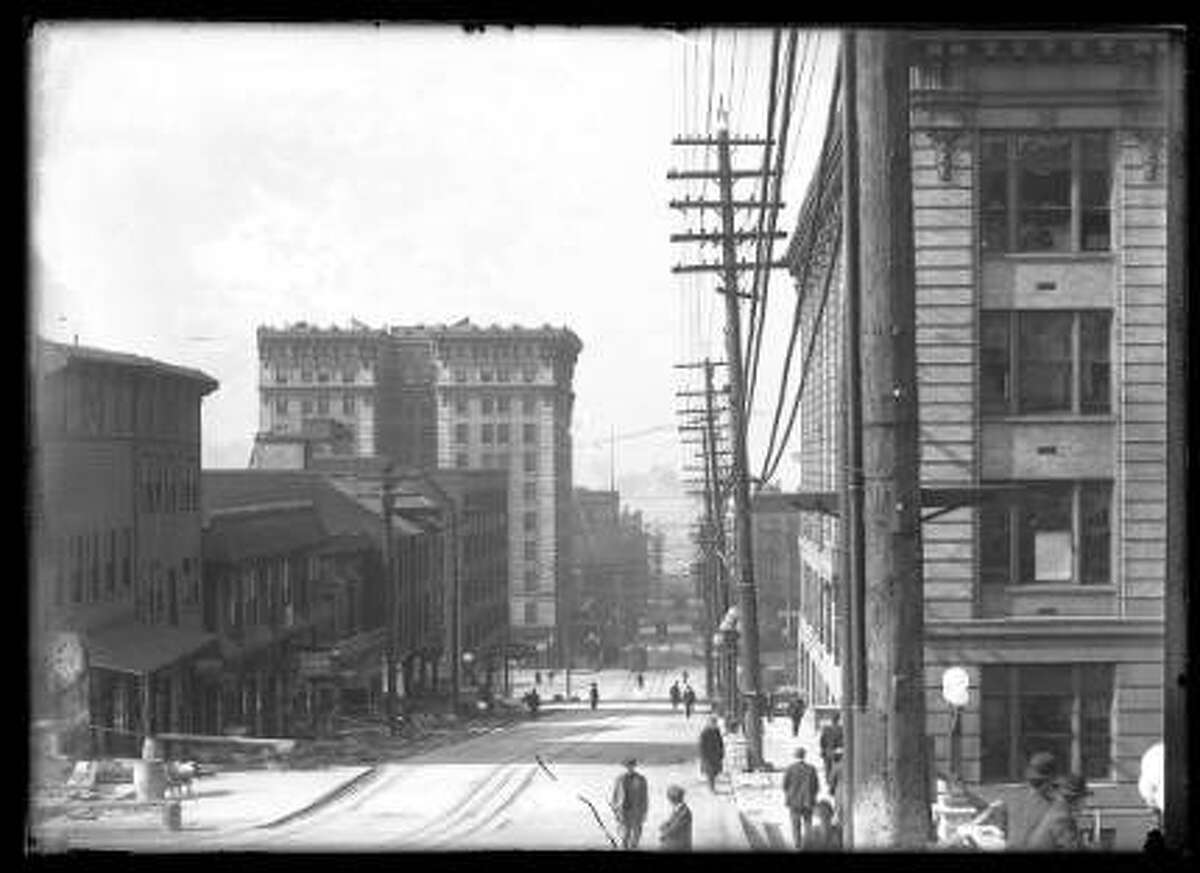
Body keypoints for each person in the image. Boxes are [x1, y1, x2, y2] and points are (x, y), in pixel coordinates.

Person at [1005, 751, 1060, 850]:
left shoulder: (1013, 798)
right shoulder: (1057, 805)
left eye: (1037, 783)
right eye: (1033, 782)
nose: (1033, 788)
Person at [1027, 773, 1090, 851]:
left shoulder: (1055, 812)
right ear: (1075, 799)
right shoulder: (1063, 820)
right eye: (1083, 798)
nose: (1085, 803)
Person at [783, 747, 820, 850]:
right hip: (808, 800)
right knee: (808, 823)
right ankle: (808, 843)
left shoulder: (790, 769)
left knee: (795, 824)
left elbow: (785, 785)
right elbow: (816, 786)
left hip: (794, 801)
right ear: (804, 756)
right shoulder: (811, 769)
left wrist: (789, 794)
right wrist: (813, 796)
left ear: (795, 756)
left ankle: (797, 844)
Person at [610, 757, 649, 850]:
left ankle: (633, 848)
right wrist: (615, 808)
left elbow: (645, 796)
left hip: (637, 810)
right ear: (625, 767)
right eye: (628, 766)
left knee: (636, 834)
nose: (630, 767)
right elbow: (615, 794)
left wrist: (644, 812)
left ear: (634, 766)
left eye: (631, 765)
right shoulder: (619, 779)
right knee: (625, 835)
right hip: (623, 810)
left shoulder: (641, 779)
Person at [658, 785, 693, 851]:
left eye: (669, 799)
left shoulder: (684, 812)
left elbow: (675, 828)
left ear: (673, 800)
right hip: (675, 842)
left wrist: (664, 834)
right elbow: (672, 821)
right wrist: (665, 824)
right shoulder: (679, 808)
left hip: (679, 845)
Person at [698, 716, 725, 792]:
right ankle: (711, 787)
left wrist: (721, 752)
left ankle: (711, 786)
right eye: (712, 723)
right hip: (708, 755)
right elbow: (702, 745)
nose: (714, 724)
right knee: (710, 772)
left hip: (716, 754)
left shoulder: (716, 731)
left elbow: (720, 742)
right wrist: (703, 755)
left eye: (715, 723)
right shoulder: (705, 732)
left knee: (716, 771)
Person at [818, 711, 844, 784]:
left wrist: (823, 749)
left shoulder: (826, 729)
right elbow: (842, 741)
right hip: (838, 751)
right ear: (838, 719)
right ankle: (835, 779)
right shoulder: (841, 729)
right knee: (836, 765)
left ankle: (828, 780)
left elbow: (822, 740)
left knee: (827, 766)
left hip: (828, 750)